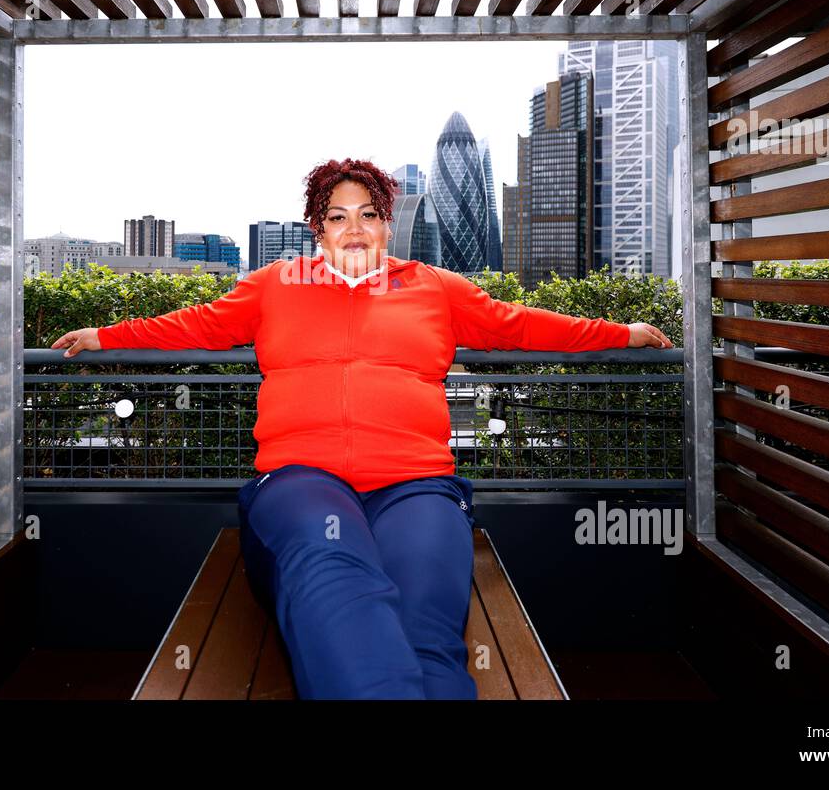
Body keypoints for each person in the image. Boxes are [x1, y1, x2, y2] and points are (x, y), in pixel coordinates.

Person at [50, 158, 674, 700]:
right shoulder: (275, 285)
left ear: (387, 223)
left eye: (368, 213)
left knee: (425, 622)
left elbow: (519, 325)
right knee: (334, 569)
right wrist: (104, 335)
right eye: (337, 215)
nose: (354, 228)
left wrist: (622, 333)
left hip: (416, 486)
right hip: (302, 481)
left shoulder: (434, 287)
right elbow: (196, 325)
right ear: (316, 228)